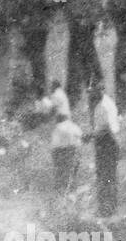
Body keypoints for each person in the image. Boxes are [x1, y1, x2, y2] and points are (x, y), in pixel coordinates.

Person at [87, 84, 121, 217]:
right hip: (101, 143)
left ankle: (109, 209)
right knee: (102, 176)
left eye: (93, 91)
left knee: (108, 177)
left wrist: (91, 135)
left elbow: (107, 128)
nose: (91, 94)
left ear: (101, 90)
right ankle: (103, 208)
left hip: (108, 143)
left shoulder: (106, 105)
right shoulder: (99, 104)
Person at [50, 106, 83, 193]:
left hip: (62, 153)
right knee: (72, 176)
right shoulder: (74, 126)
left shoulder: (58, 128)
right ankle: (72, 194)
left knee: (61, 177)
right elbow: (80, 139)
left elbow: (55, 145)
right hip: (74, 152)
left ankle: (63, 195)